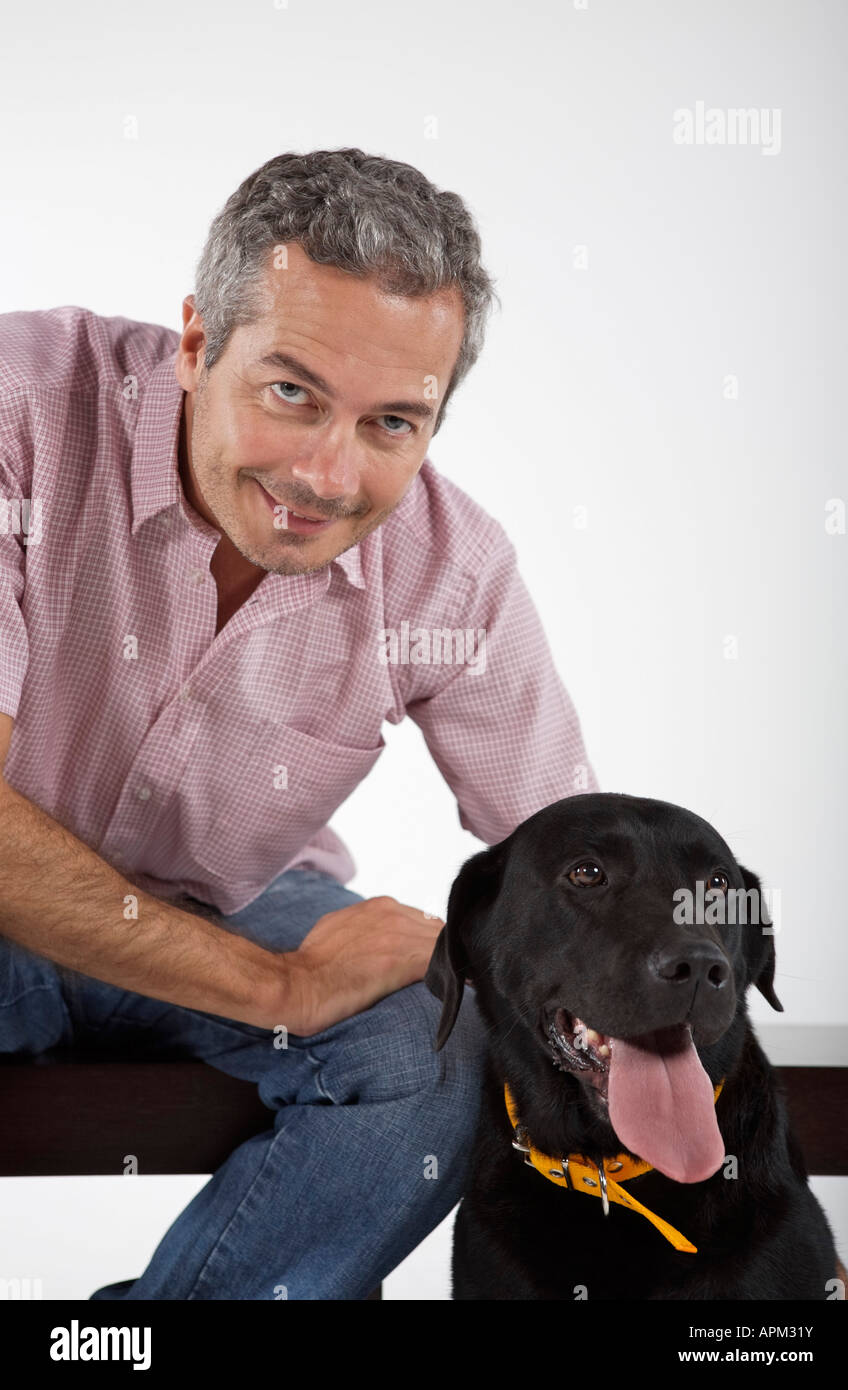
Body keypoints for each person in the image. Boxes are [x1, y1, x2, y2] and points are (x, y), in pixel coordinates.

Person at [0, 148, 598, 1299]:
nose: (328, 474)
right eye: (291, 393)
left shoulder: (450, 567)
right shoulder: (17, 409)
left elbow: (574, 867)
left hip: (224, 901)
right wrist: (274, 991)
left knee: (428, 1042)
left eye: (389, 422)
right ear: (193, 343)